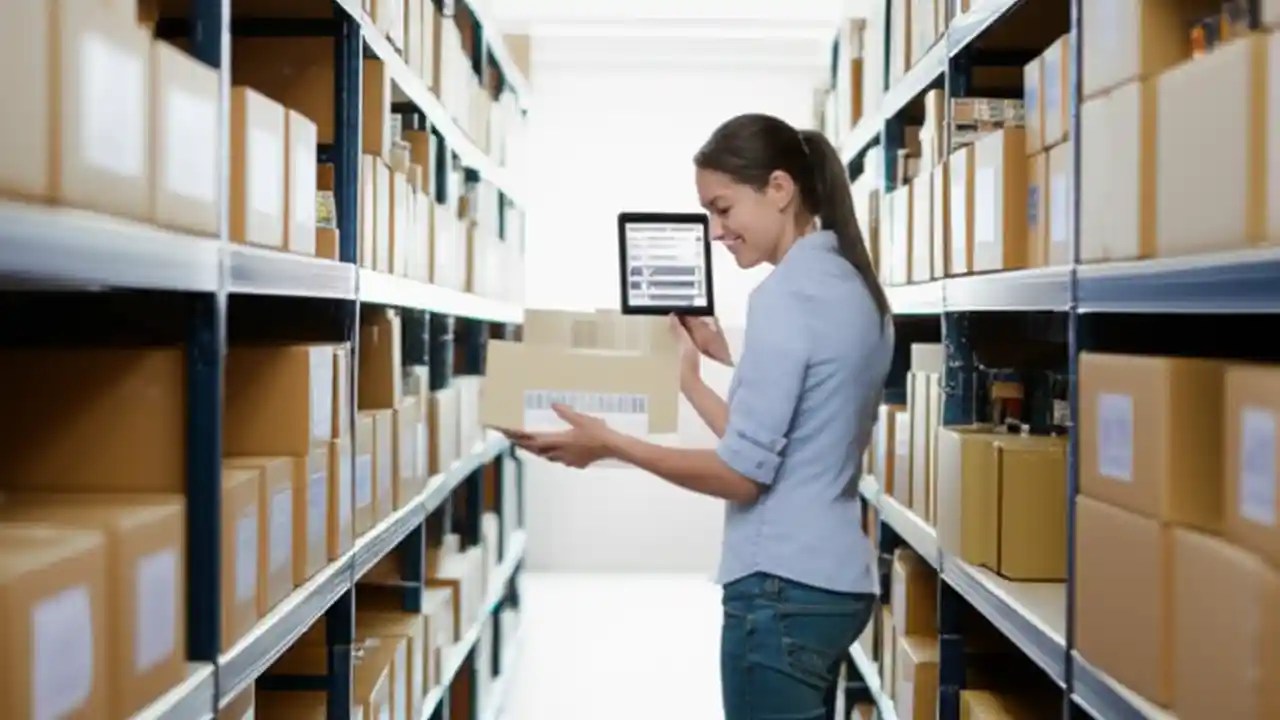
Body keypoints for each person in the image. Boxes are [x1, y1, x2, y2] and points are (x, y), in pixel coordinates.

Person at [509, 113, 894, 720]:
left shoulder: (785, 298)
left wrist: (611, 444)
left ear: (778, 188)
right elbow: (773, 447)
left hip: (779, 589)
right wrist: (687, 379)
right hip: (834, 583)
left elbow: (743, 475)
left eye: (722, 208)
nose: (716, 231)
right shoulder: (854, 288)